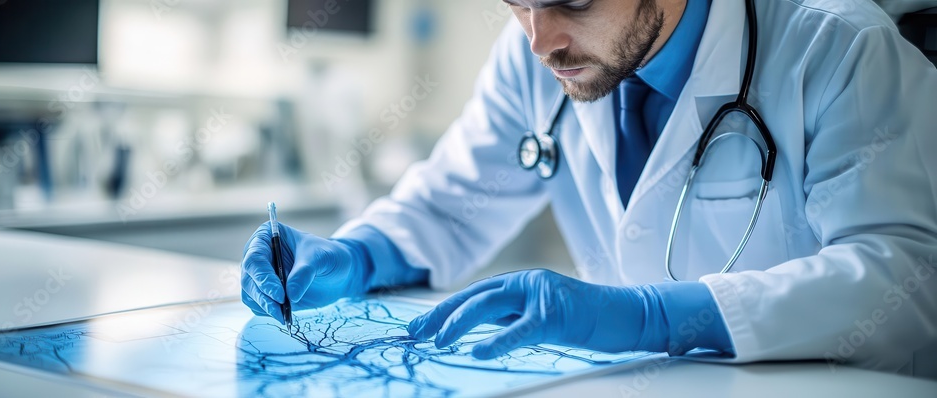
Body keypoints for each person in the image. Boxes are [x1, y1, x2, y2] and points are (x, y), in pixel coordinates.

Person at [242, 0, 937, 377]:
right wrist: (356, 255)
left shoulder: (837, 47)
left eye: (572, 0)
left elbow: (906, 279)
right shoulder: (532, 55)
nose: (543, 41)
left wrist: (653, 317)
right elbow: (452, 200)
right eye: (518, 4)